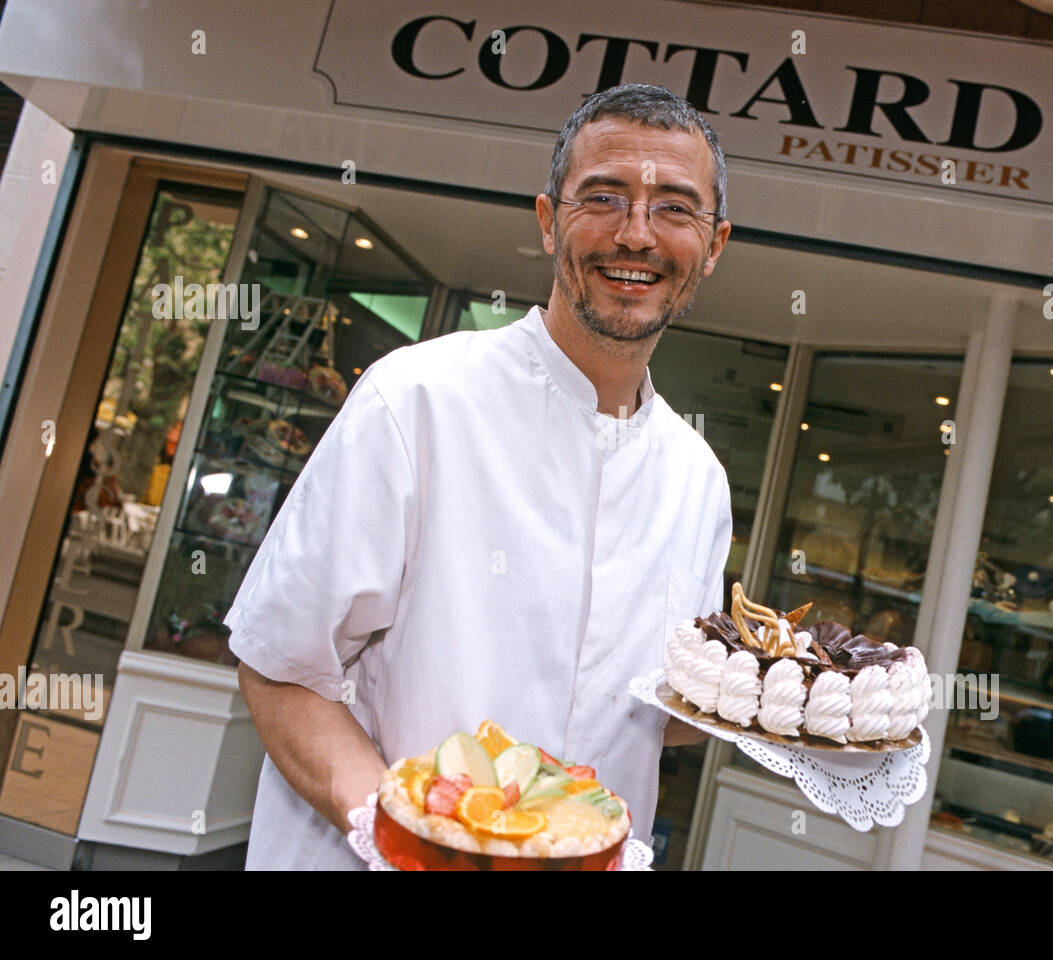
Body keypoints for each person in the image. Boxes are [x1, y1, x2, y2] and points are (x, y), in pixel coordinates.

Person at [228, 83, 734, 869]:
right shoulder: (417, 399)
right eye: (604, 197)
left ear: (714, 244)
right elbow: (279, 668)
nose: (637, 234)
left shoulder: (699, 481)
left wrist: (786, 713)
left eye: (675, 207)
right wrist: (421, 844)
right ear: (547, 220)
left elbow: (665, 718)